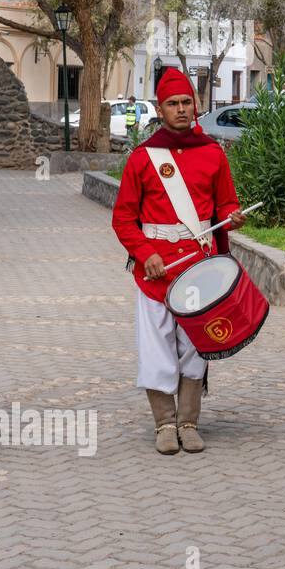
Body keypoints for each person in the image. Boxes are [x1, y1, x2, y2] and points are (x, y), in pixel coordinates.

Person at [110, 69, 247, 455]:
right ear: (160, 108)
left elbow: (225, 203)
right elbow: (123, 218)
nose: (182, 109)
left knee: (193, 348)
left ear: (196, 105)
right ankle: (164, 425)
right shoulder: (142, 158)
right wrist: (145, 252)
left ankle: (188, 422)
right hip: (156, 270)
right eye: (173, 104)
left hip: (200, 267)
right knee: (157, 348)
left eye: (187, 102)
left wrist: (234, 215)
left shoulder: (213, 154)